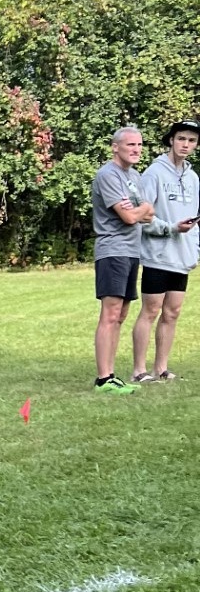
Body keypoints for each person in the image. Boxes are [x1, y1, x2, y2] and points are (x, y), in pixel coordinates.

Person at [130, 119, 200, 383]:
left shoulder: (193, 178)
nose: (186, 144)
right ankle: (139, 370)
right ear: (171, 140)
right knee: (151, 310)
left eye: (192, 140)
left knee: (173, 312)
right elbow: (143, 217)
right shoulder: (154, 174)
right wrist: (171, 228)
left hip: (183, 258)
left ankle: (161, 368)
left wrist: (194, 246)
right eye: (181, 138)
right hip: (158, 255)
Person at [91, 128, 155, 395]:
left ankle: (112, 375)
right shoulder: (108, 175)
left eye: (139, 144)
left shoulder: (134, 176)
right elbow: (130, 217)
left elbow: (149, 214)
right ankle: (103, 379)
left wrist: (140, 211)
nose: (136, 149)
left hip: (131, 251)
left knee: (122, 314)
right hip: (113, 250)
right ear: (115, 147)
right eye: (130, 144)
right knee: (110, 313)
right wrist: (141, 210)